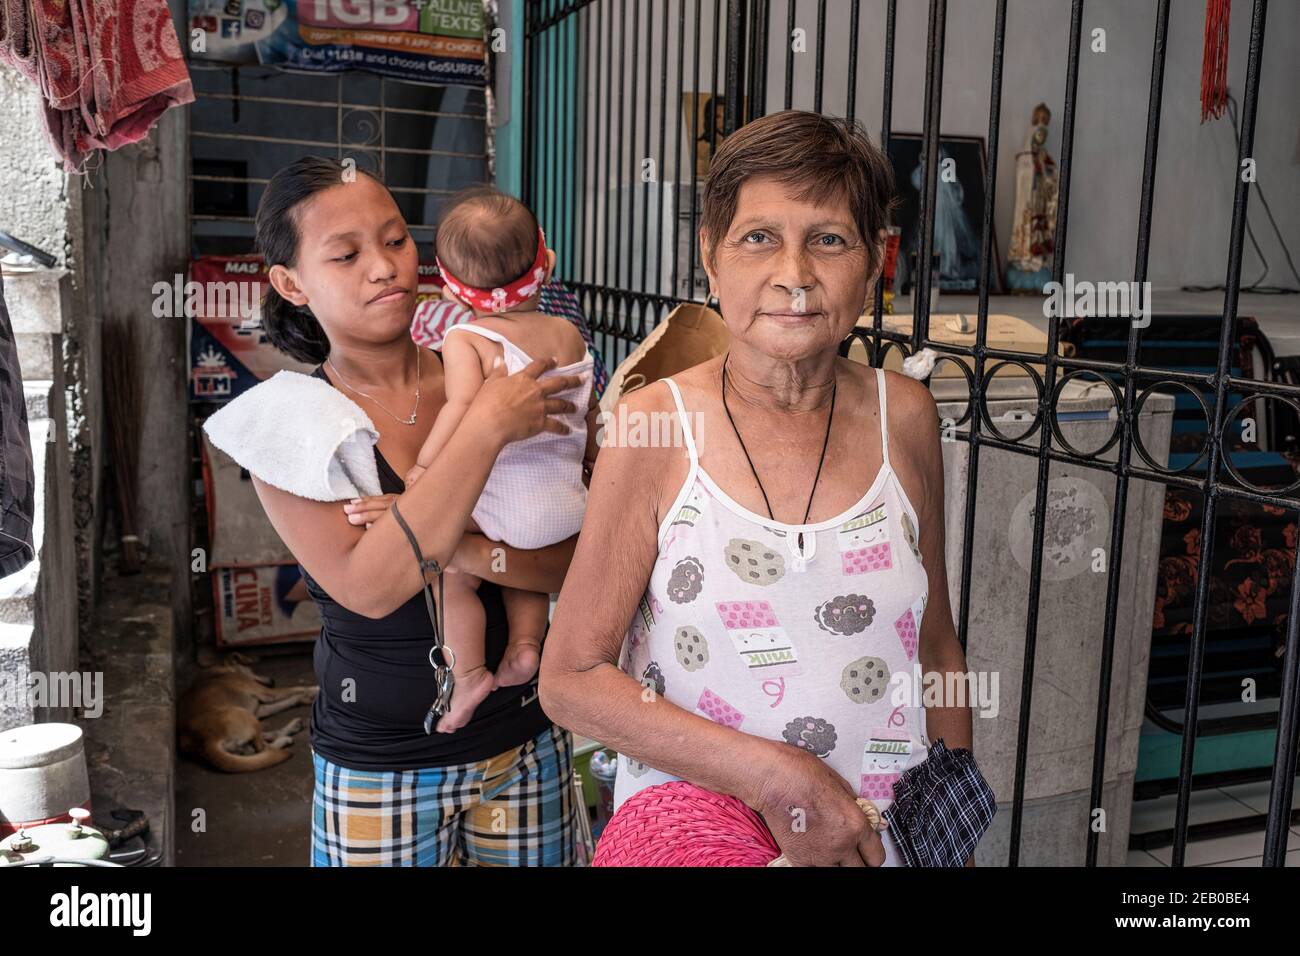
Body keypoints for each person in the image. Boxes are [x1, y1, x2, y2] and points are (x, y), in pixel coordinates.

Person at [540, 110, 976, 867]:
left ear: (875, 263)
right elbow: (571, 679)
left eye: (830, 240)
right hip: (699, 836)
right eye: (759, 237)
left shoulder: (904, 416)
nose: (794, 274)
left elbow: (937, 647)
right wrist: (778, 777)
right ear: (711, 257)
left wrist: (951, 840)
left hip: (882, 845)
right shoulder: (653, 426)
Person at [234, 156, 584, 866]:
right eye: (346, 255)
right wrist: (484, 431)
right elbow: (371, 586)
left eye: (396, 240)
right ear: (291, 283)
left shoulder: (496, 366)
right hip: (380, 768)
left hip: (525, 741)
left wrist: (460, 548)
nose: (384, 267)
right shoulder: (290, 425)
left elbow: (574, 560)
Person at [403, 186, 598, 733]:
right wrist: (592, 461)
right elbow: (589, 413)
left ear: (449, 288)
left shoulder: (466, 338)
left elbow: (463, 410)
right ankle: (526, 645)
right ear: (547, 261)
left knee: (451, 573)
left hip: (506, 507)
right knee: (522, 567)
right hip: (567, 506)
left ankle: (468, 676)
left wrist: (424, 467)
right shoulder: (568, 333)